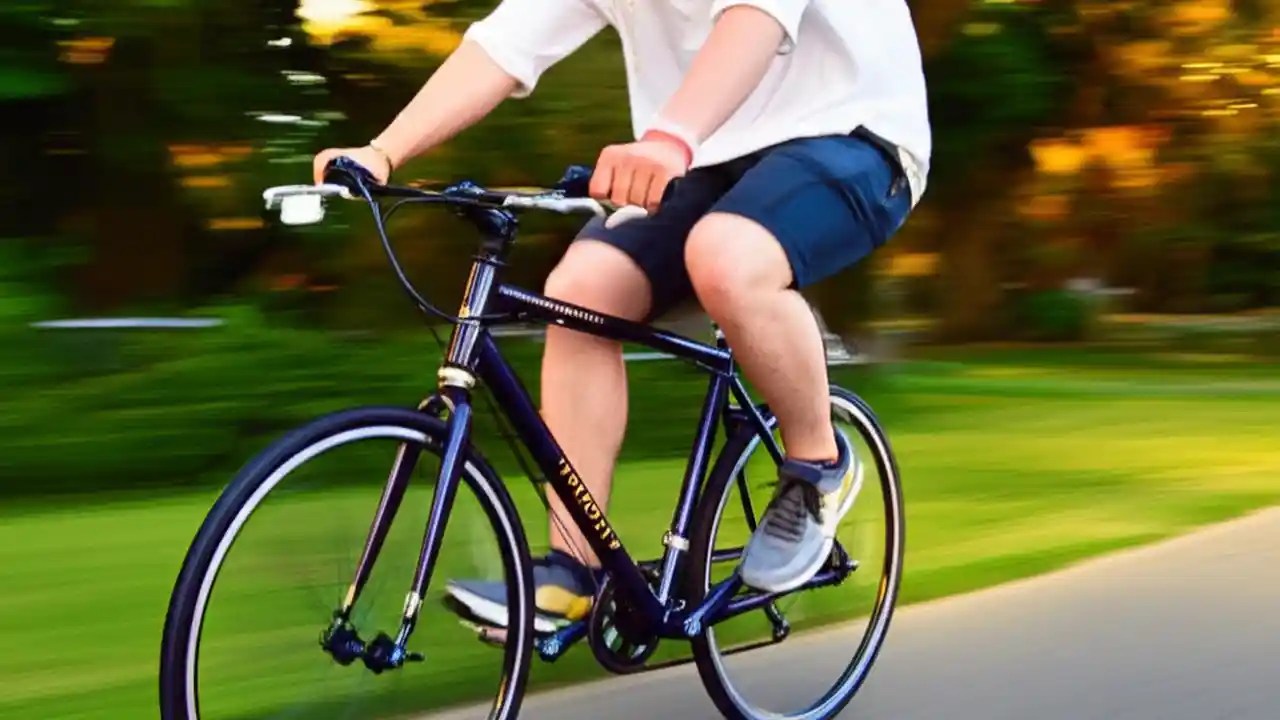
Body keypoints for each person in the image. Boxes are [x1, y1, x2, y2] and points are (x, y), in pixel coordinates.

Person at [313, 0, 931, 633]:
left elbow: (757, 17)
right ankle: (572, 572)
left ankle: (816, 467)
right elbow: (504, 46)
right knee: (580, 290)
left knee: (727, 256)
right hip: (705, 155)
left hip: (851, 132)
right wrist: (383, 151)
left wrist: (667, 139)